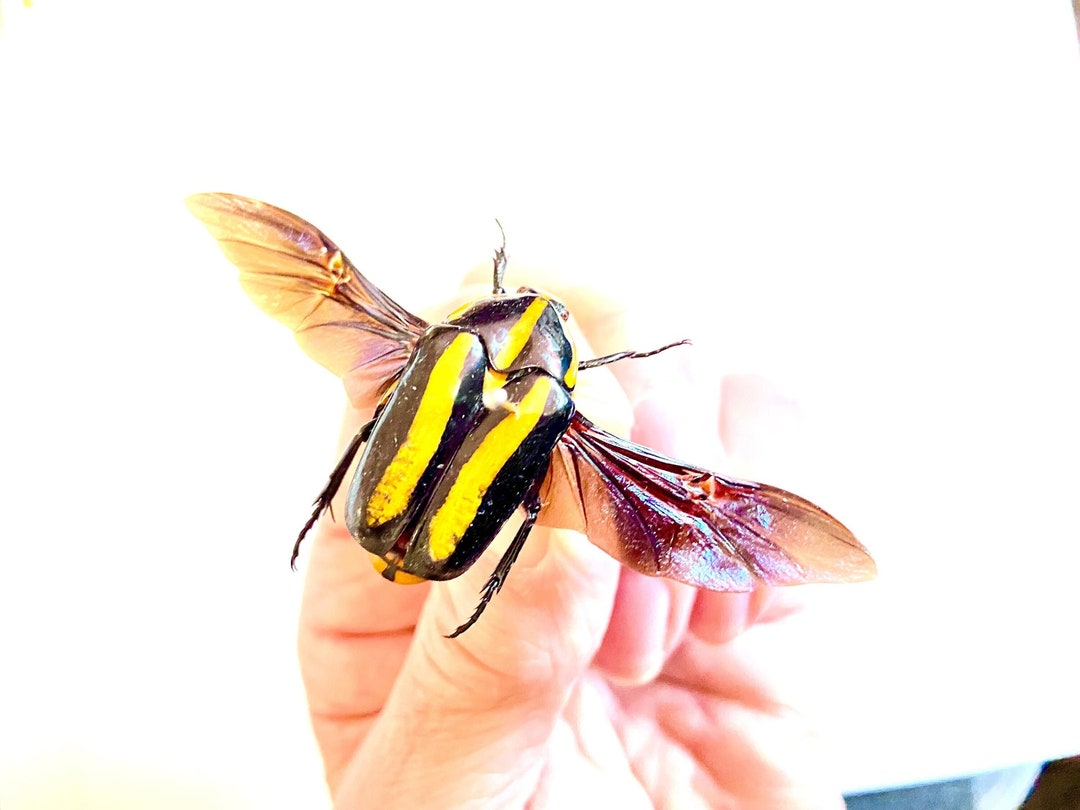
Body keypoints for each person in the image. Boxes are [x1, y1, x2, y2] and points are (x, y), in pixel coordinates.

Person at [295, 279, 845, 809]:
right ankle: (493, 588)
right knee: (544, 508)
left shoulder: (437, 345)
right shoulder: (554, 408)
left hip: (388, 518)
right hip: (440, 544)